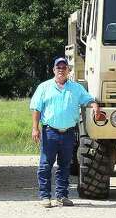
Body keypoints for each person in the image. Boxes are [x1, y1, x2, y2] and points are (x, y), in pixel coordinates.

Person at [30, 56, 98, 208]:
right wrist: (35, 128)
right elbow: (36, 109)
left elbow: (87, 99)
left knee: (65, 166)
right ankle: (45, 197)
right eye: (58, 67)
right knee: (45, 165)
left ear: (69, 70)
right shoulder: (44, 87)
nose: (61, 70)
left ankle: (62, 196)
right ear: (54, 70)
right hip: (50, 132)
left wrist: (94, 105)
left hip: (68, 133)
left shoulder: (76, 88)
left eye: (64, 67)